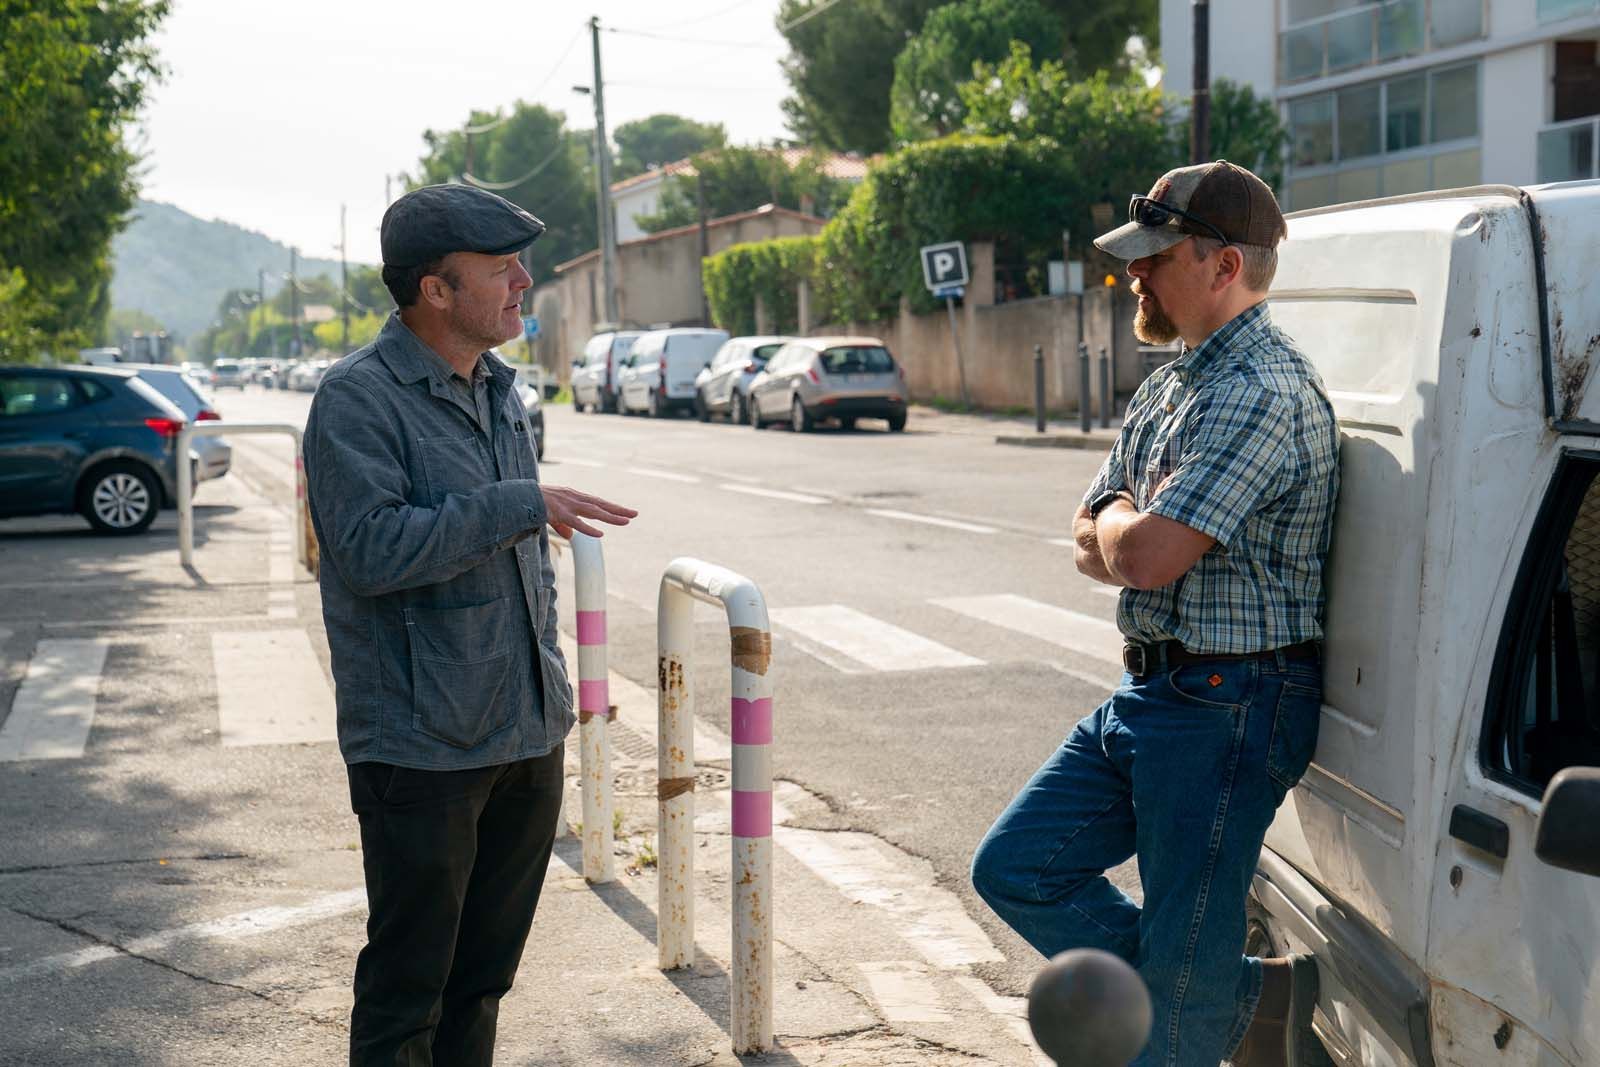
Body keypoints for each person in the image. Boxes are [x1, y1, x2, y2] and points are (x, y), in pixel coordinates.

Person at [970, 161, 1339, 1067]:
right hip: (1159, 690)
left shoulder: (1258, 390)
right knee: (1017, 866)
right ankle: (1241, 996)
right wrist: (1120, 524)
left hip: (1231, 703)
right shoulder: (1174, 384)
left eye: (1154, 257)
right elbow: (1084, 532)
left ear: (1223, 267)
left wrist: (1120, 522)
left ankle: (1209, 1001)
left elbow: (1134, 552)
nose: (1132, 274)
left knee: (1169, 1018)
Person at [303, 183, 637, 1066]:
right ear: (434, 291)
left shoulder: (499, 388)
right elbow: (370, 551)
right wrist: (514, 503)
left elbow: (521, 561)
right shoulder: (357, 400)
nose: (525, 280)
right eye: (501, 268)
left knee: (481, 983)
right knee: (409, 990)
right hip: (421, 751)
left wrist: (553, 697)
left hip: (524, 735)